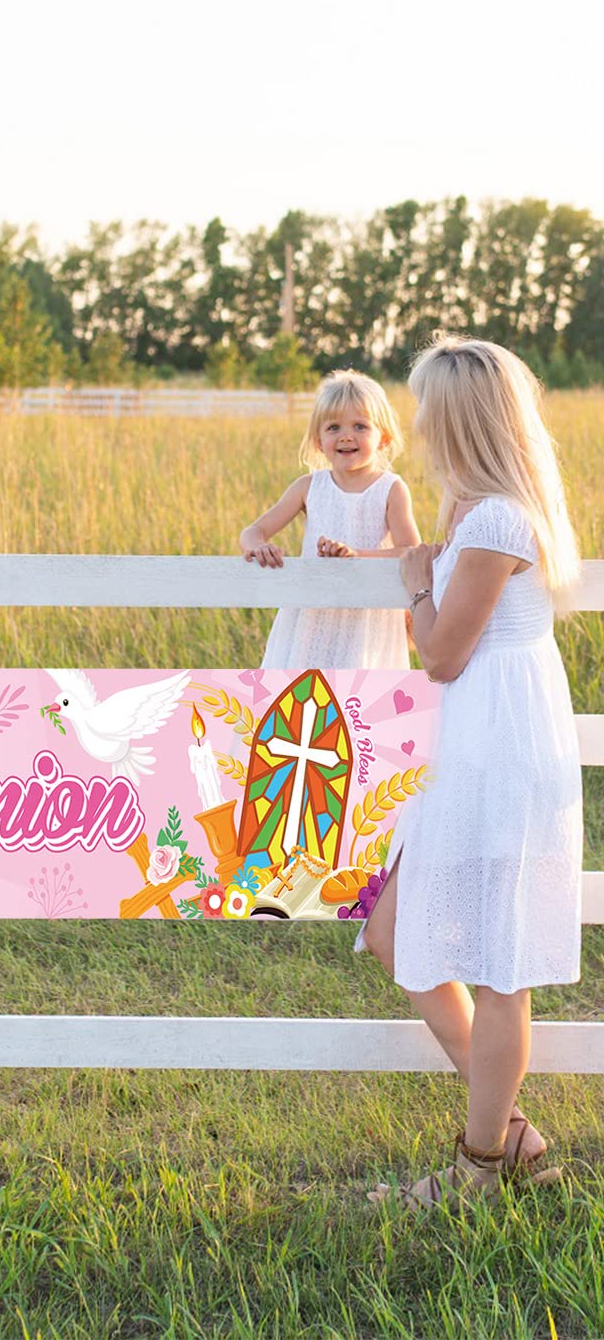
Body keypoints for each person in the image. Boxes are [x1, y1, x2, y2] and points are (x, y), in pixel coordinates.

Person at [357, 336, 582, 1207]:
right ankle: (513, 1133)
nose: (413, 421)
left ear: (459, 416)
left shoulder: (496, 518)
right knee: (389, 926)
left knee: (498, 965)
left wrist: (415, 586)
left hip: (497, 745)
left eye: (424, 405)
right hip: (470, 741)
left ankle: (475, 1168)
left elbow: (443, 652)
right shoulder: (480, 508)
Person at [238, 369, 420, 670]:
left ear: (383, 438)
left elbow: (411, 552)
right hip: (312, 617)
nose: (347, 436)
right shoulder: (309, 487)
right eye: (333, 427)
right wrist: (257, 545)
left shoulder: (390, 489)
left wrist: (357, 555)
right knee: (302, 698)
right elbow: (254, 530)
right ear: (319, 440)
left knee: (358, 702)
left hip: (366, 618)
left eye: (360, 426)